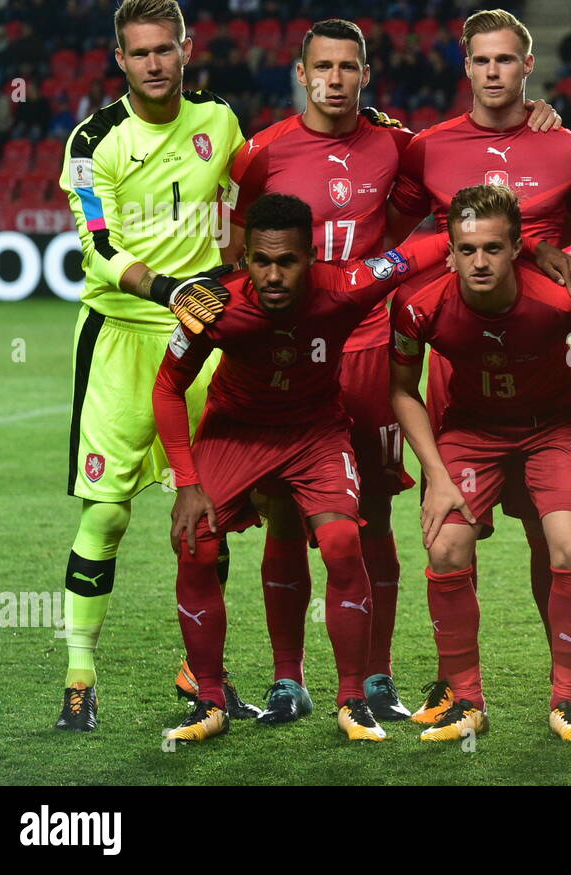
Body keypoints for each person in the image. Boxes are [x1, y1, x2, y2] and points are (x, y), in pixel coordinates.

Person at [225, 16, 563, 725]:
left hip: (372, 349)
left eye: (350, 67)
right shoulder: (261, 156)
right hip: (293, 355)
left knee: (370, 514)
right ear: (301, 70)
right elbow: (239, 256)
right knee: (287, 513)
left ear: (366, 74)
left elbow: (464, 184)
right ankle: (289, 678)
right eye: (324, 66)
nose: (336, 79)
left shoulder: (398, 144)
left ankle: (375, 676)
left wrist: (536, 121)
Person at [388, 8, 571, 723]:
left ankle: (567, 690)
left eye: (507, 60)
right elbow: (392, 235)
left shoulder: (567, 146)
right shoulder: (427, 149)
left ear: (529, 66)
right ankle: (458, 687)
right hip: (461, 368)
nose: (494, 73)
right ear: (466, 68)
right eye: (481, 61)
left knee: (551, 536)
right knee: (450, 532)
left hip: (544, 350)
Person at [152, 193, 449, 743]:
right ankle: (209, 698)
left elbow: (414, 255)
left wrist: (487, 234)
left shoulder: (344, 288)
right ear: (246, 258)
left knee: (341, 542)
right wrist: (188, 485)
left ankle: (352, 698)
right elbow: (169, 388)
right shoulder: (214, 306)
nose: (273, 274)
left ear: (310, 257)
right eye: (261, 261)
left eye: (286, 261)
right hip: (236, 429)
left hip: (315, 432)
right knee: (197, 542)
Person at [54, 0, 247, 731]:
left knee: (211, 516)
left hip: (201, 343)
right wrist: (173, 289)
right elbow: (98, 248)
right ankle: (80, 673)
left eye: (165, 48)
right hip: (119, 340)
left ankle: (201, 672)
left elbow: (260, 182)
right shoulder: (90, 142)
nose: (154, 62)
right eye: (140, 52)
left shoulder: (219, 119)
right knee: (105, 513)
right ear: (120, 59)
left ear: (186, 47)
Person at [389, 184, 571, 744]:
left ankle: (569, 700)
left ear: (517, 248)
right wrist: (435, 476)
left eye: (491, 248)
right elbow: (401, 390)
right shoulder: (420, 306)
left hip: (555, 428)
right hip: (471, 431)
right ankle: (466, 700)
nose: (478, 262)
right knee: (446, 545)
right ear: (451, 250)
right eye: (466, 250)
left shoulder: (562, 297)